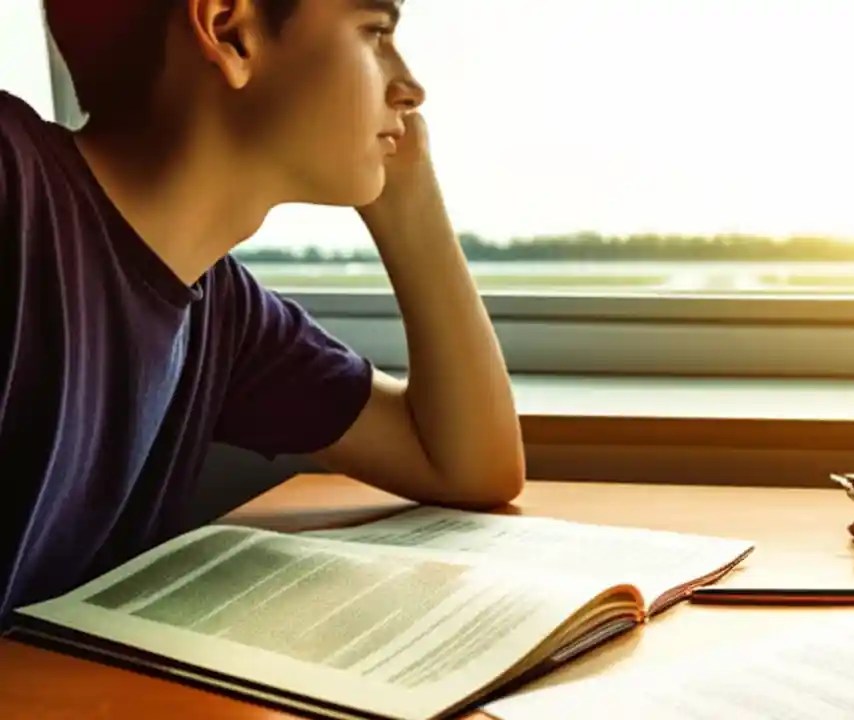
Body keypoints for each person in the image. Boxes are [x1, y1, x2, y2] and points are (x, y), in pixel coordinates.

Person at [0, 0, 526, 620]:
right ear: (230, 32)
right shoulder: (13, 186)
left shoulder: (222, 314)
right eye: (376, 33)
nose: (411, 89)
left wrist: (406, 200)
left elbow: (470, 466)